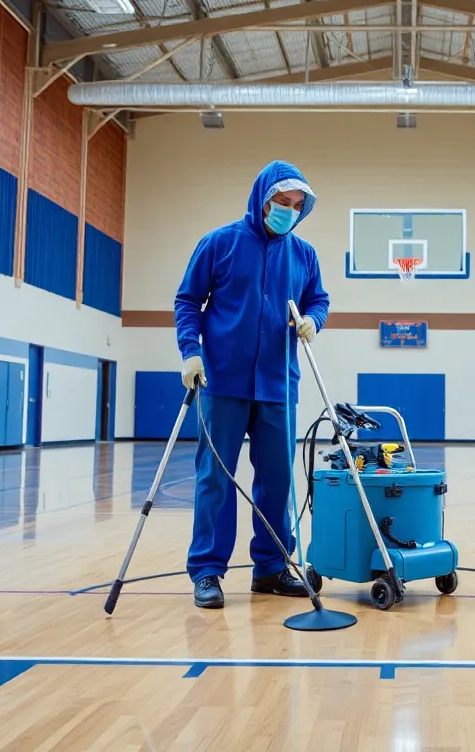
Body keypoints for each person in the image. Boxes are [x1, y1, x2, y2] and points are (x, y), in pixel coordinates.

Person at [174, 160, 330, 610]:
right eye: (283, 202)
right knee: (216, 480)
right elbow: (188, 299)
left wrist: (313, 321)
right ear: (263, 199)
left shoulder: (304, 255)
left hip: (279, 385)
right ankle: (207, 572)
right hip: (222, 381)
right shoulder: (219, 243)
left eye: (298, 206)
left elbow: (318, 298)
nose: (290, 211)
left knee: (278, 481)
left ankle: (272, 567)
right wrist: (191, 350)